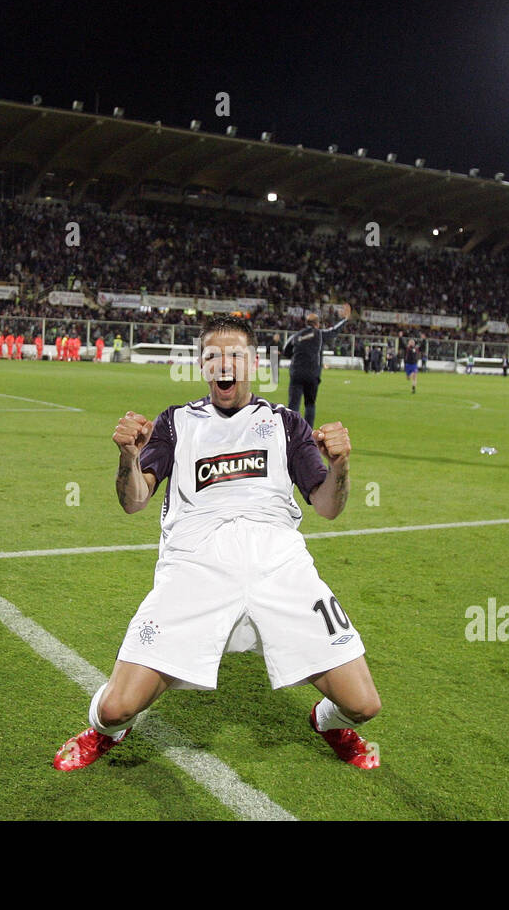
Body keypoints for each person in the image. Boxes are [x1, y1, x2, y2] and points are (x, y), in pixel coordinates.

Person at [52, 314, 381, 772]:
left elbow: (327, 506)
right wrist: (127, 458)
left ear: (254, 363)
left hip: (279, 568)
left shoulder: (286, 424)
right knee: (115, 708)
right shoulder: (176, 423)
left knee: (364, 704)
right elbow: (134, 501)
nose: (223, 364)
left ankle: (327, 723)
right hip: (197, 569)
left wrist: (341, 464)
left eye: (234, 355)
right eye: (212, 356)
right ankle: (103, 734)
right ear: (203, 366)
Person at [281, 304, 349, 427]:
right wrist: (345, 320)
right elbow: (334, 331)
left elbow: (286, 351)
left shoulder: (296, 336)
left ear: (306, 323)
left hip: (296, 372)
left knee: (293, 404)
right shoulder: (320, 334)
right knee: (310, 404)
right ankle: (307, 434)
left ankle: (289, 432)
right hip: (312, 374)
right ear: (317, 324)